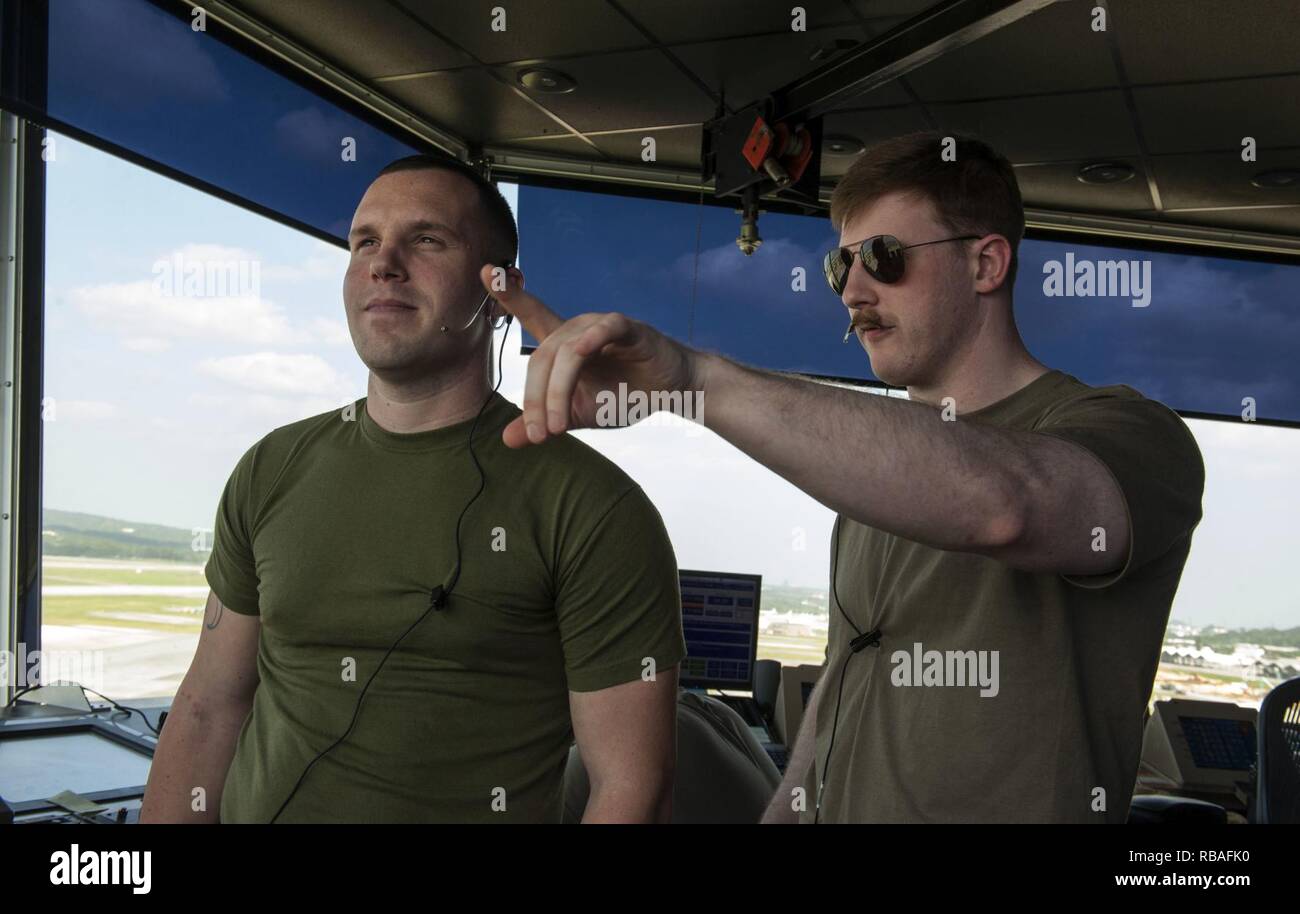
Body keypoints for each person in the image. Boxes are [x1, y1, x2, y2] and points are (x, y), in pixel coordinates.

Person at [485, 131, 1206, 823]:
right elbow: (845, 677)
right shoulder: (873, 487)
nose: (852, 291)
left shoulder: (1134, 436)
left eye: (885, 257)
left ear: (987, 265)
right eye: (842, 266)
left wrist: (692, 380)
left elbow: (1007, 504)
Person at [141, 155, 685, 823]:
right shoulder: (272, 468)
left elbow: (631, 790)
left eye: (426, 239)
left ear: (499, 292)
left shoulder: (594, 508)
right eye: (365, 240)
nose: (383, 262)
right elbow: (207, 707)